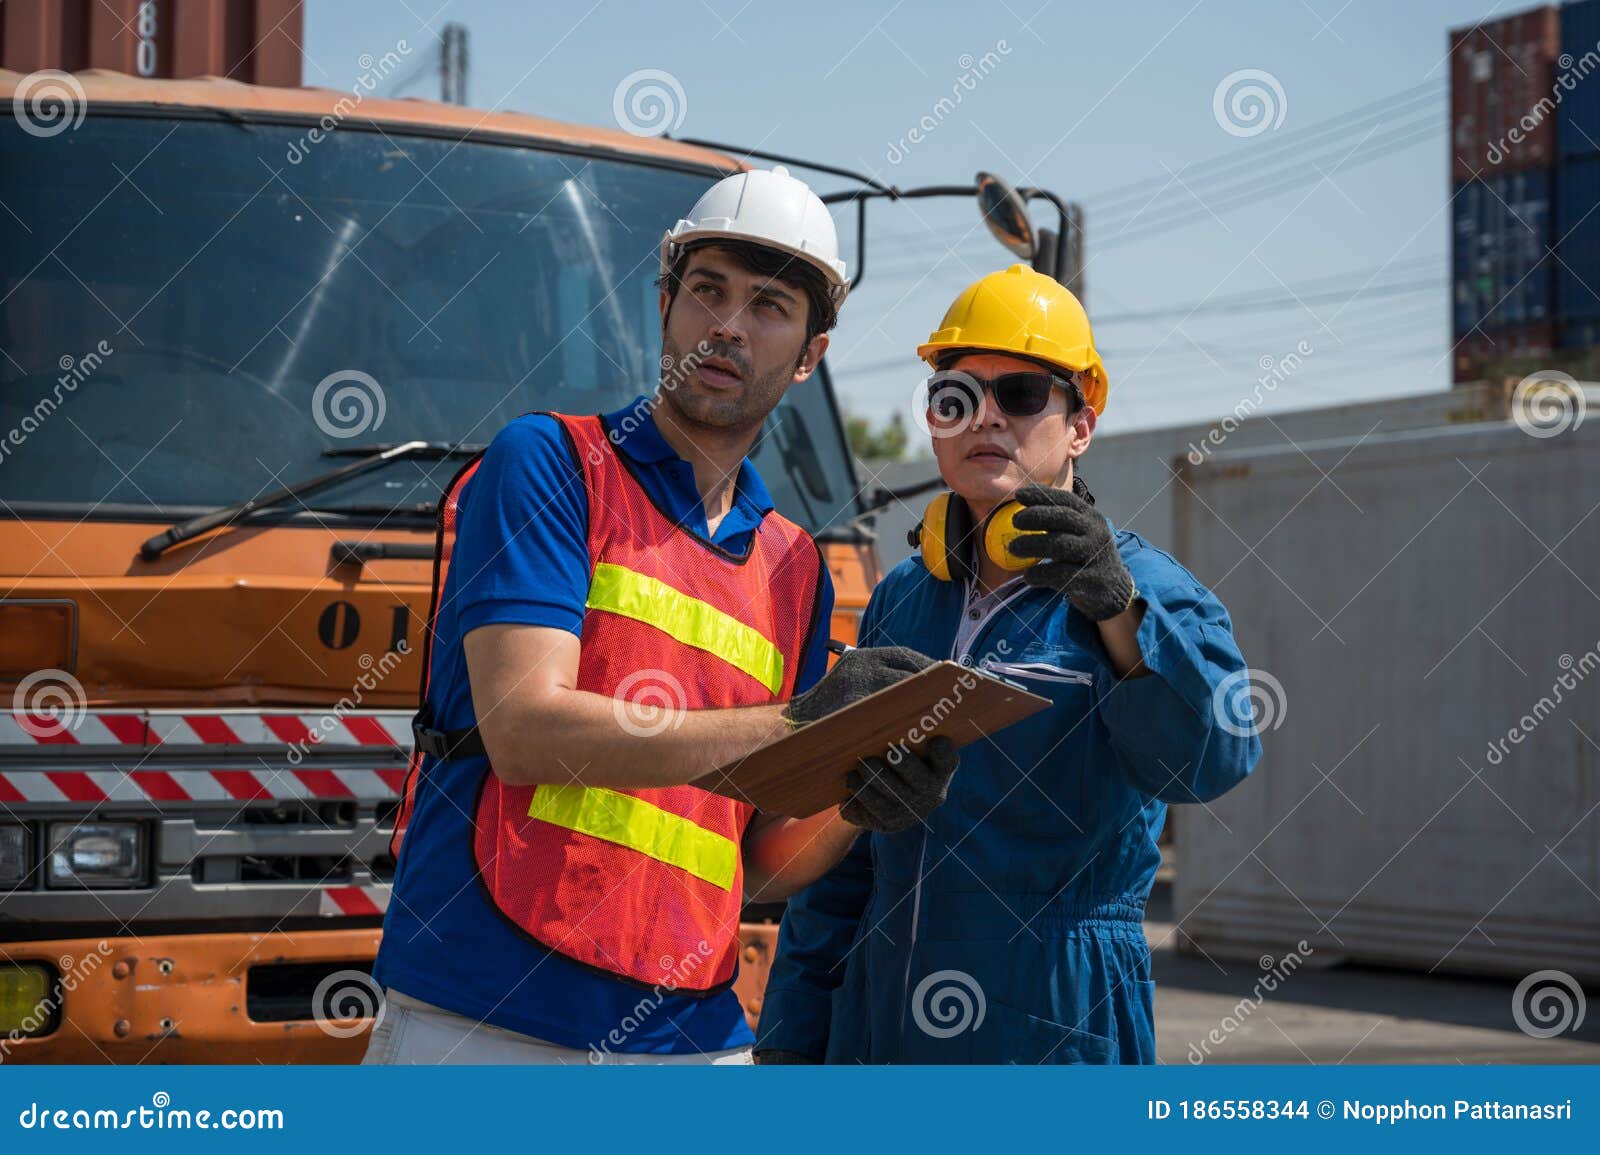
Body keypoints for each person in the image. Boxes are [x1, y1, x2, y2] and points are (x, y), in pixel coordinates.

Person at [364, 167, 958, 1065]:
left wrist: (859, 792)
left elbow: (759, 858)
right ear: (665, 305)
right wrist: (802, 721)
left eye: (767, 307)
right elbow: (524, 729)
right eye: (707, 292)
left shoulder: (795, 565)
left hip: (692, 1029)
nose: (727, 325)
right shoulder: (553, 463)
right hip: (484, 1012)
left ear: (810, 354)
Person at [756, 264, 1263, 1064]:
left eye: (1023, 394)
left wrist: (1117, 614)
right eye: (956, 395)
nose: (984, 417)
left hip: (1053, 1019)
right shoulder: (902, 596)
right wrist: (792, 1035)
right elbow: (842, 857)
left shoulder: (1149, 593)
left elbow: (1212, 760)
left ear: (1081, 425)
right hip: (879, 1017)